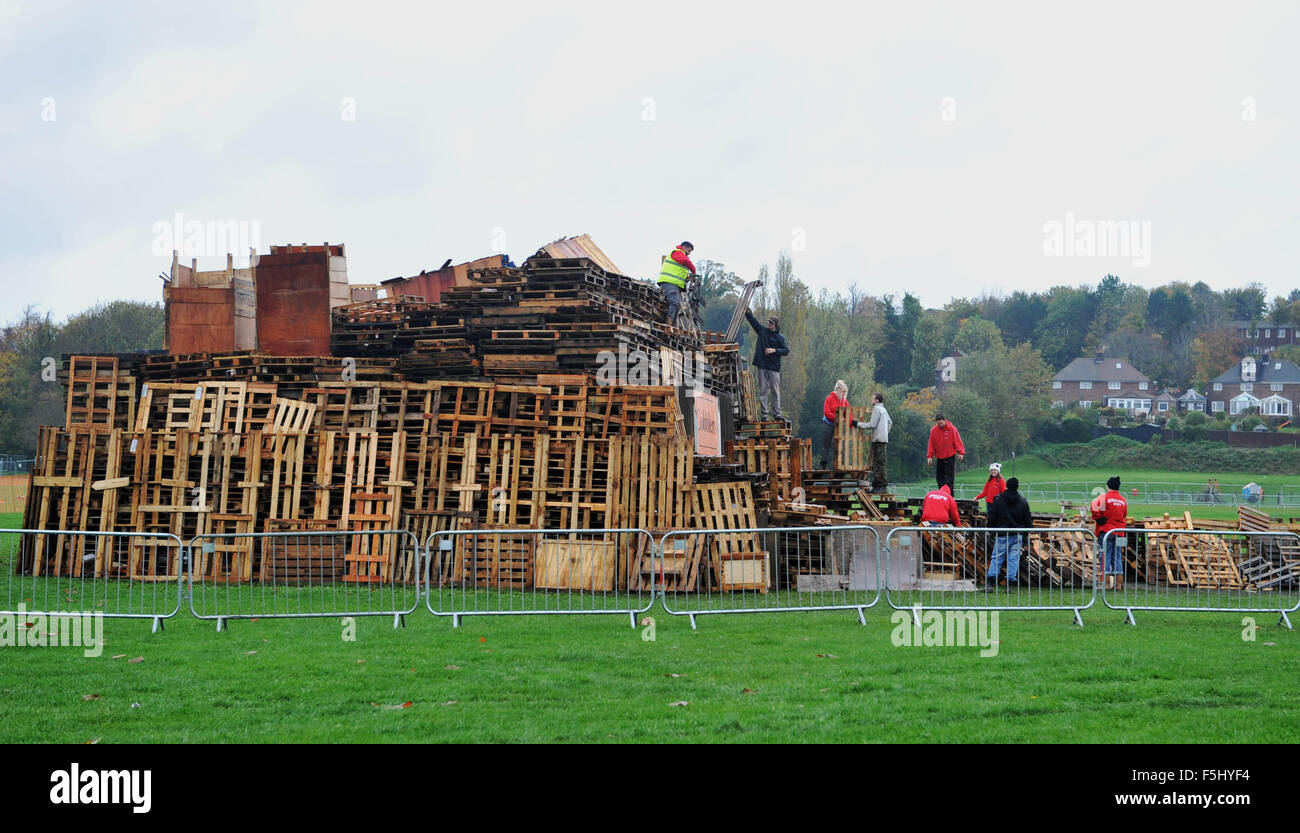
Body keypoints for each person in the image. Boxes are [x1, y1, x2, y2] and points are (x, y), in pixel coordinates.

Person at [985, 477, 1032, 590]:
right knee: (1013, 559)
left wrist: (991, 530)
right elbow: (1028, 520)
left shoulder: (998, 499)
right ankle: (1010, 584)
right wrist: (1026, 535)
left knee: (997, 557)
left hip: (1002, 533)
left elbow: (992, 516)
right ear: (1017, 486)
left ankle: (990, 583)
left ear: (1006, 485)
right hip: (1017, 534)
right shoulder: (1023, 501)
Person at [744, 307, 789, 421]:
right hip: (762, 366)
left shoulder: (780, 338)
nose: (770, 324)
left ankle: (777, 414)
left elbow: (786, 350)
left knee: (775, 392)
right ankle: (764, 415)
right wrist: (748, 313)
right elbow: (754, 323)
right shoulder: (762, 331)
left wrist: (774, 350)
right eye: (769, 322)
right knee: (763, 391)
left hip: (774, 368)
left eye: (772, 323)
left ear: (776, 325)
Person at [1091, 476, 1129, 591]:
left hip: (1107, 531)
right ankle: (1118, 584)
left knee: (1105, 556)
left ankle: (1106, 583)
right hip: (1120, 532)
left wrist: (1098, 518)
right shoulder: (1122, 500)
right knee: (1117, 556)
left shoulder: (1104, 497)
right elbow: (1124, 515)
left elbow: (1094, 507)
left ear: (1108, 486)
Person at [657, 241, 696, 325]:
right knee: (674, 303)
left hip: (675, 284)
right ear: (684, 247)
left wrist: (687, 277)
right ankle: (669, 324)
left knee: (677, 305)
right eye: (689, 251)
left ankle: (673, 324)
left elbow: (679, 270)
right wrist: (694, 270)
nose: (689, 253)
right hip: (669, 282)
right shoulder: (677, 252)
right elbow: (686, 261)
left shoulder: (680, 255)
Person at [926, 413, 965, 492]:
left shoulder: (952, 429)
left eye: (941, 423)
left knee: (949, 475)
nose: (940, 425)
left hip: (950, 455)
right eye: (938, 423)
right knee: (939, 476)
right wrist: (929, 456)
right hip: (939, 456)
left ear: (944, 421)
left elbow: (957, 440)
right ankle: (941, 491)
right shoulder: (934, 430)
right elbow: (931, 444)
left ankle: (950, 493)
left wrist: (961, 452)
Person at [865, 392, 892, 492]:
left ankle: (881, 485)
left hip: (878, 439)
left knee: (878, 462)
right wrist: (885, 432)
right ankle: (877, 485)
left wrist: (858, 424)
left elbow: (872, 424)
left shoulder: (877, 409)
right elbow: (890, 422)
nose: (871, 399)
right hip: (883, 439)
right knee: (880, 461)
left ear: (877, 400)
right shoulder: (883, 409)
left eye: (873, 398)